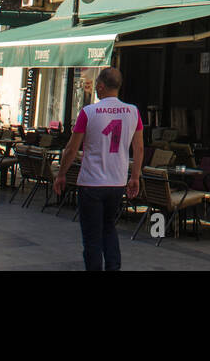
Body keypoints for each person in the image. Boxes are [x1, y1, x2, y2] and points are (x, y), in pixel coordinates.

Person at [54, 67, 142, 271]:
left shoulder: (88, 112)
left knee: (92, 235)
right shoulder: (133, 112)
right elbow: (138, 147)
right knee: (109, 228)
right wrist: (135, 176)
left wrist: (61, 174)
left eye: (96, 85)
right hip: (117, 182)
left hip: (91, 183)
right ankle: (114, 267)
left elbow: (71, 149)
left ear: (101, 86)